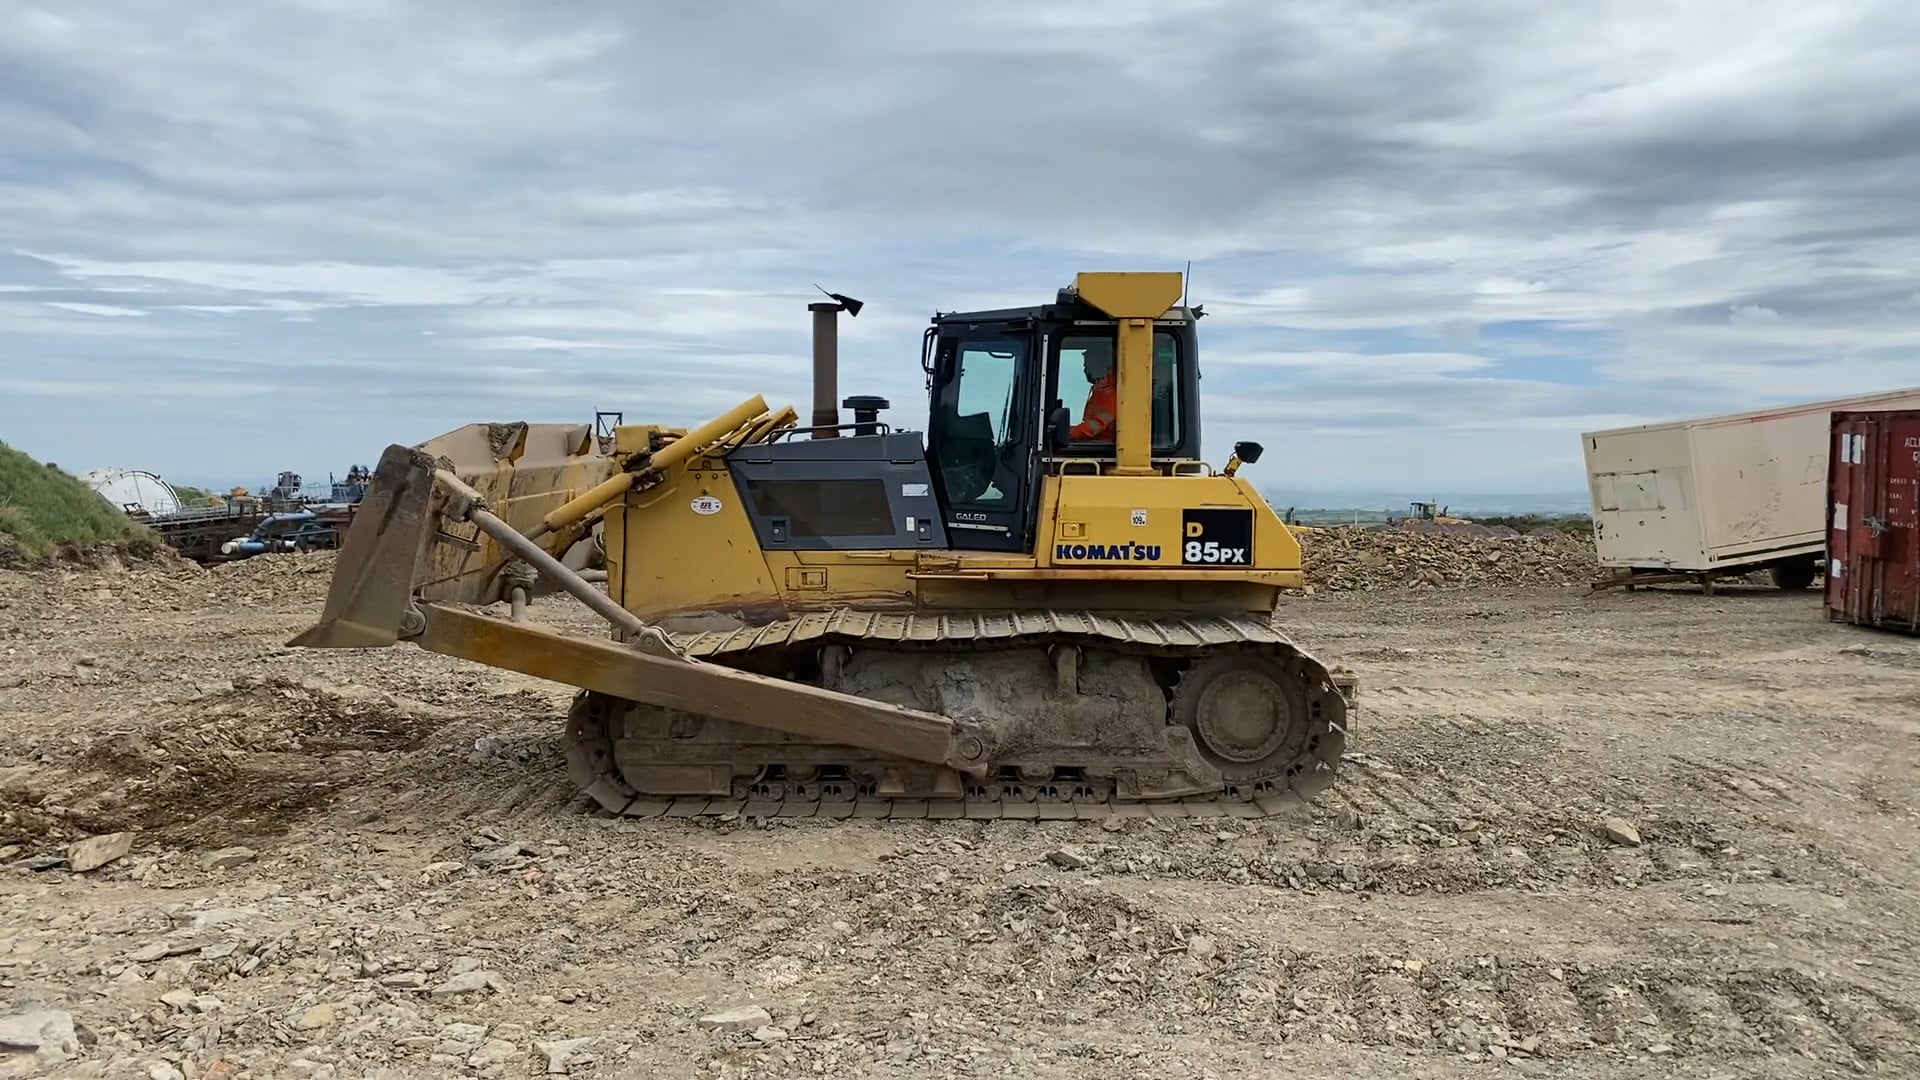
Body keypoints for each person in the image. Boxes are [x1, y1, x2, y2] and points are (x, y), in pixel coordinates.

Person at [1070, 339, 1117, 442]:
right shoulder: (1102, 388)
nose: (1085, 370)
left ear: (1100, 364)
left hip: (1103, 444)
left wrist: (1072, 433)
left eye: (1087, 366)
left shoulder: (1108, 391)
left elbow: (1098, 424)